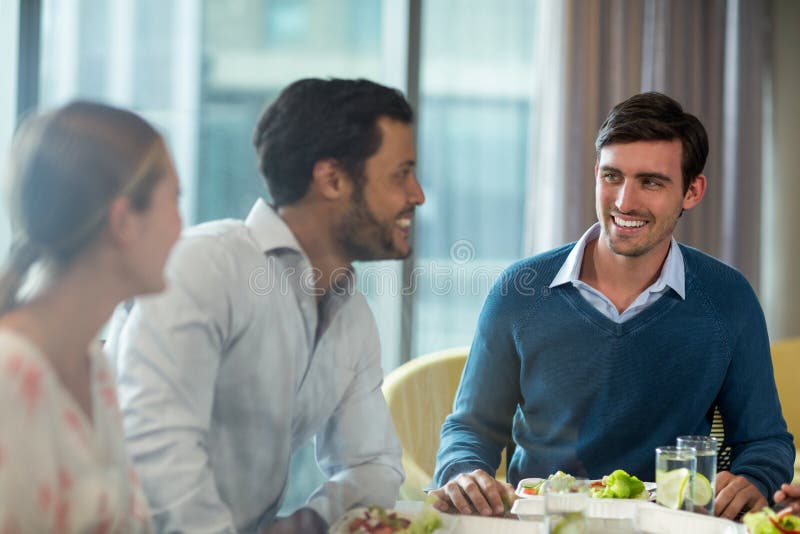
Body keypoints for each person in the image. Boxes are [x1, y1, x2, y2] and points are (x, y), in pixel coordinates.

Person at [430, 92, 794, 521]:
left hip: (671, 526)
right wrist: (465, 472)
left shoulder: (728, 298)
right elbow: (470, 428)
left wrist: (754, 478)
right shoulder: (520, 291)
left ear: (692, 191)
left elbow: (764, 440)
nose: (624, 202)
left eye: (651, 182)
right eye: (612, 176)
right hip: (543, 525)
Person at [104, 78, 424, 534]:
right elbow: (156, 448)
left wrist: (307, 523)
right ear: (331, 179)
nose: (417, 195)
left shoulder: (349, 312)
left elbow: (373, 463)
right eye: (401, 174)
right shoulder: (206, 266)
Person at [0, 101, 182, 532]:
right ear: (123, 221)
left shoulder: (93, 365)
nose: (181, 225)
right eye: (173, 200)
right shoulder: (10, 374)